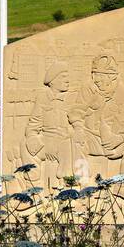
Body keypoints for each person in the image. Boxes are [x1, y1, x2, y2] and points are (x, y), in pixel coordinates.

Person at [71, 53, 124, 176]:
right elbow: (75, 113)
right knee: (76, 137)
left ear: (112, 77)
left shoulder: (122, 94)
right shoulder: (88, 88)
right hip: (91, 138)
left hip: (115, 142)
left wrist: (119, 139)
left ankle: (123, 185)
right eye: (94, 74)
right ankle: (82, 183)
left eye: (100, 75)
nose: (95, 79)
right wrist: (78, 127)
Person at [22, 61, 73, 189]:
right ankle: (32, 190)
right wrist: (32, 138)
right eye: (63, 77)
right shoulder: (42, 98)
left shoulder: (72, 98)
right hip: (47, 141)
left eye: (67, 76)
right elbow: (34, 124)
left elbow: (80, 123)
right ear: (52, 81)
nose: (67, 80)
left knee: (68, 144)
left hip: (66, 141)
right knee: (25, 145)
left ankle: (68, 187)